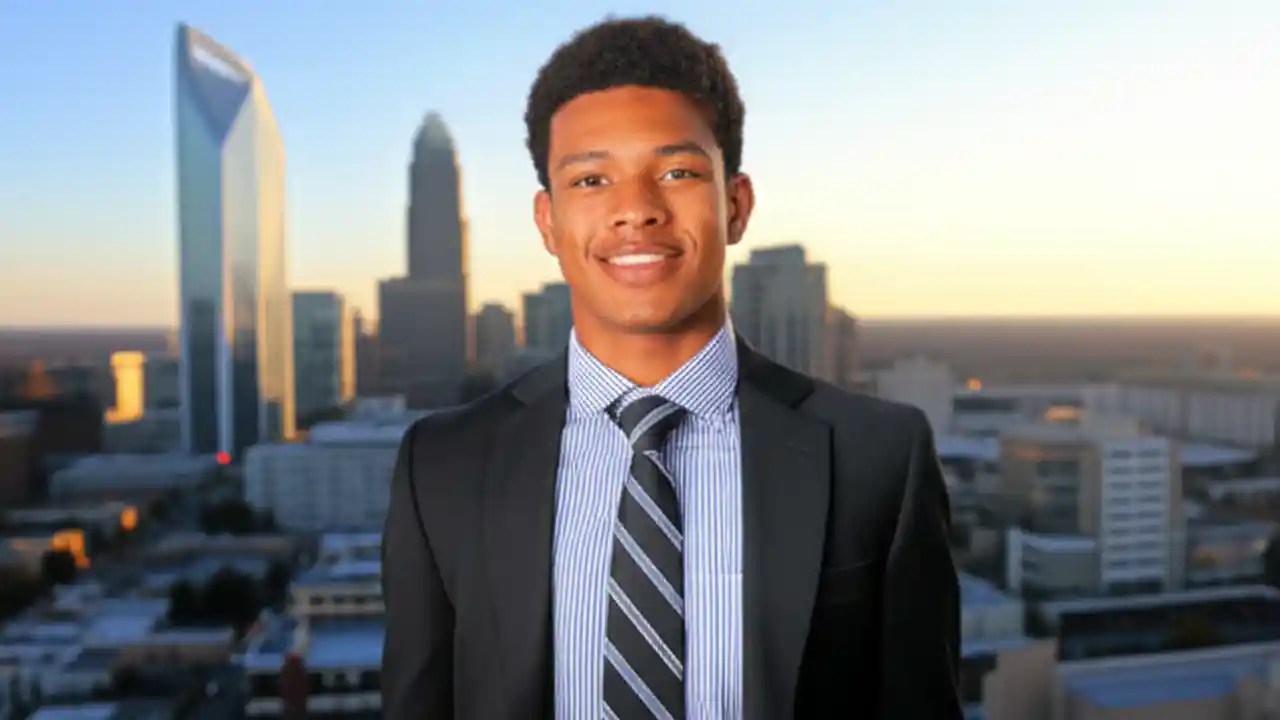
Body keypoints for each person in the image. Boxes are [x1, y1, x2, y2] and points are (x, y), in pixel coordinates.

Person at [382, 15, 962, 720]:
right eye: (592, 178)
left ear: (736, 204)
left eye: (678, 171)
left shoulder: (879, 457)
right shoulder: (443, 465)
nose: (636, 210)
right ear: (547, 221)